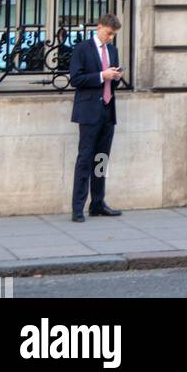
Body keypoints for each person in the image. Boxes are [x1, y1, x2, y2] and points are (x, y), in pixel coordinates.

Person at [69, 13, 124, 221]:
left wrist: (116, 77)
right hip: (88, 112)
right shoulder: (83, 48)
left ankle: (98, 203)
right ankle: (77, 207)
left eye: (114, 35)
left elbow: (113, 83)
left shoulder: (113, 50)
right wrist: (102, 76)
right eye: (109, 33)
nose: (111, 38)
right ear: (99, 27)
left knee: (102, 159)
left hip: (108, 112)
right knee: (85, 159)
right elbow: (76, 79)